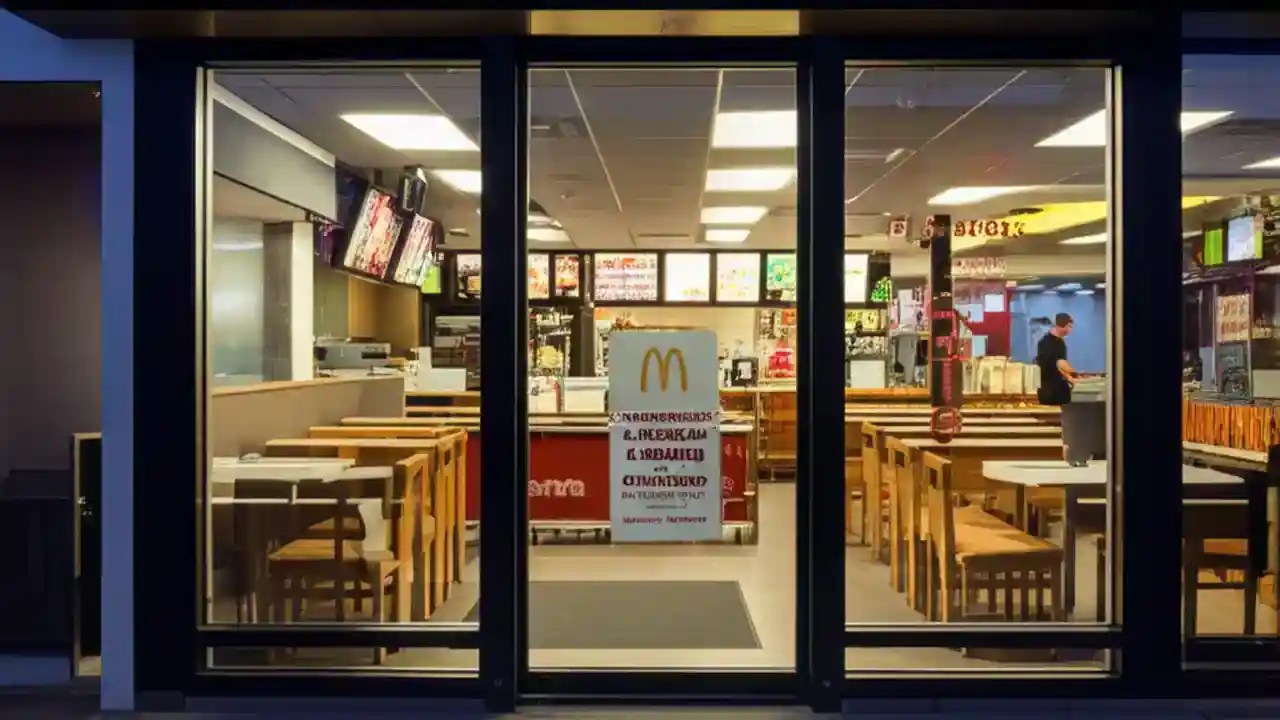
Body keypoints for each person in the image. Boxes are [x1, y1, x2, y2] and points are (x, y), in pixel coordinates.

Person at [1035, 312, 1078, 406]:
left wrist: (1071, 377)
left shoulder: (1059, 343)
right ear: (1061, 325)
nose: (1070, 330)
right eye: (1069, 326)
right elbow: (1060, 364)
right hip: (1050, 393)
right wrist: (1075, 375)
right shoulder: (1047, 343)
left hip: (1056, 391)